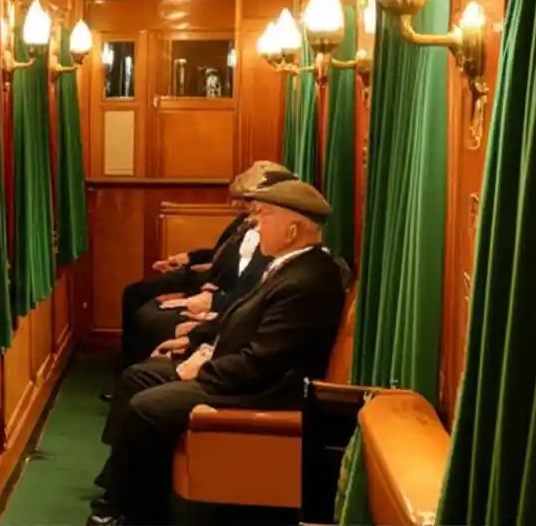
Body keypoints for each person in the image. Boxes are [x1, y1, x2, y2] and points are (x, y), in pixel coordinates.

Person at [88, 179, 348, 526]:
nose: (256, 223)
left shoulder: (309, 280)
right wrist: (199, 347)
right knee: (141, 376)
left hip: (266, 393)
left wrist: (198, 369)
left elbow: (262, 363)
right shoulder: (290, 265)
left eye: (265, 215)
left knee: (147, 407)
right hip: (242, 372)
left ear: (292, 230)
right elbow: (242, 322)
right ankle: (122, 488)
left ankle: (137, 512)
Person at [114, 161, 292, 374]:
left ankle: (142, 371)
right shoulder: (246, 222)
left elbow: (247, 286)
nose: (245, 206)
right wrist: (189, 259)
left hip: (218, 294)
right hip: (213, 286)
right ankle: (132, 369)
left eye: (251, 200)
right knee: (137, 296)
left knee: (150, 316)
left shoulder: (271, 241)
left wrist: (210, 301)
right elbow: (221, 253)